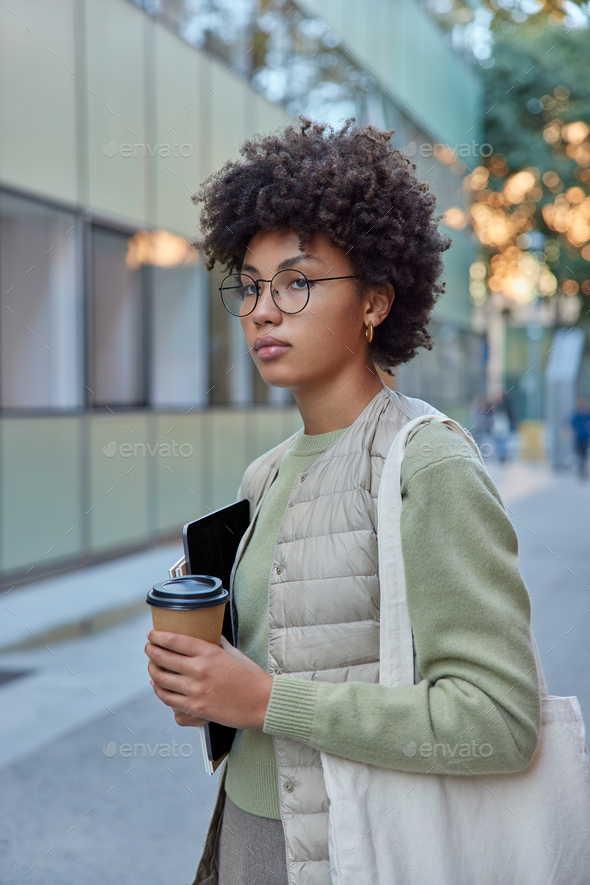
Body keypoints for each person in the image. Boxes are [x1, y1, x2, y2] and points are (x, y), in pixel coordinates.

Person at [144, 117, 541, 885]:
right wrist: (207, 687)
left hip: (357, 856)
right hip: (245, 845)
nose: (263, 309)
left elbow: (500, 718)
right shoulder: (262, 477)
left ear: (375, 302)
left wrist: (267, 700)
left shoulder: (426, 464)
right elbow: (266, 675)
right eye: (252, 286)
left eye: (297, 281)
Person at [571, 396, 590, 479]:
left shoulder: (587, 415)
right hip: (579, 438)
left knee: (584, 454)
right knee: (580, 454)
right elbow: (572, 425)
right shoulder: (577, 415)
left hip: (586, 438)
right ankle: (581, 468)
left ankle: (583, 468)